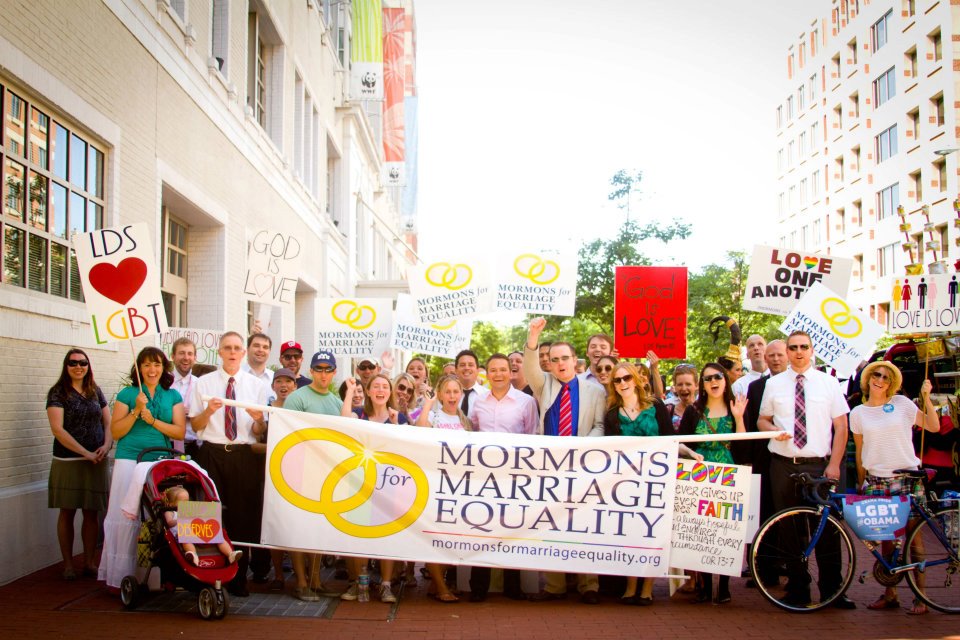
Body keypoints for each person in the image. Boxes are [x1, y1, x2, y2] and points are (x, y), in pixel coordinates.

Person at [758, 330, 855, 609]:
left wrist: (834, 464)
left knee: (826, 529)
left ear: (812, 350)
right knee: (788, 528)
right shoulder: (774, 384)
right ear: (786, 352)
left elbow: (841, 427)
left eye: (804, 347)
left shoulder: (829, 383)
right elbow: (762, 420)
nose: (798, 352)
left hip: (819, 465)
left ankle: (832, 590)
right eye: (793, 347)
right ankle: (798, 589)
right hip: (784, 465)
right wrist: (773, 430)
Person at [522, 317, 604, 604]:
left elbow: (600, 425)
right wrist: (533, 337)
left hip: (583, 466)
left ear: (575, 360)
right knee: (551, 524)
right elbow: (529, 366)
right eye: (554, 359)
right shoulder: (544, 385)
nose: (559, 364)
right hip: (551, 467)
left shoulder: (595, 391)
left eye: (564, 358)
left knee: (584, 525)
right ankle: (554, 586)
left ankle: (589, 585)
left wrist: (581, 449)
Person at [851, 362, 938, 615]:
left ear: (892, 383)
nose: (881, 380)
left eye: (887, 377)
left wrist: (926, 398)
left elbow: (932, 426)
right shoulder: (858, 412)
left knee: (915, 540)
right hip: (877, 480)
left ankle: (921, 597)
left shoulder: (902, 404)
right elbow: (860, 451)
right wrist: (861, 481)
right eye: (876, 375)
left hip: (907, 479)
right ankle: (890, 593)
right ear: (868, 379)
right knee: (887, 541)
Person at [100, 347, 186, 590]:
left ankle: (153, 576)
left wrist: (153, 421)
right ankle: (122, 576)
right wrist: (136, 410)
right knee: (126, 515)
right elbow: (116, 432)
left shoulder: (172, 396)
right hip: (130, 457)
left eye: (157, 364)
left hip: (158, 458)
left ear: (164, 368)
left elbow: (178, 431)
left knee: (155, 514)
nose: (152, 370)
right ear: (139, 368)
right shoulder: (128, 394)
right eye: (147, 365)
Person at [190, 332, 269, 598]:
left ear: (243, 353)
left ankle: (238, 578)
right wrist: (209, 412)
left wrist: (258, 420)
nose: (233, 352)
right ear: (220, 352)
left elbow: (258, 431)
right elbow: (196, 426)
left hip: (242, 455)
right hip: (211, 452)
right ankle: (202, 574)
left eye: (237, 348)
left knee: (244, 516)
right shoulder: (203, 383)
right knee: (204, 512)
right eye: (227, 348)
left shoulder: (255, 385)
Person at [466, 354, 539, 602]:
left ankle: (512, 586)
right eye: (493, 370)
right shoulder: (478, 402)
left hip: (514, 475)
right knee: (482, 527)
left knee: (511, 528)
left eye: (503, 370)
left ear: (511, 372)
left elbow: (532, 435)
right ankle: (478, 588)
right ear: (487, 373)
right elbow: (473, 430)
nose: (498, 374)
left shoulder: (526, 401)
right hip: (483, 474)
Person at [603, 362, 676, 606]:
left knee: (652, 531)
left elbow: (670, 439)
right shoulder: (612, 414)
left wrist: (688, 452)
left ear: (635, 379)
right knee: (630, 533)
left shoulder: (656, 406)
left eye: (626, 378)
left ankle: (647, 587)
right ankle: (630, 586)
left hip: (656, 479)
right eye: (617, 380)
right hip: (626, 481)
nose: (622, 383)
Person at [679, 363, 748, 604]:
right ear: (703, 384)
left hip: (730, 473)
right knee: (703, 531)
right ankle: (706, 586)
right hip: (700, 475)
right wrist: (691, 454)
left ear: (725, 379)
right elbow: (683, 443)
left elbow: (744, 446)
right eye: (707, 379)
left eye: (717, 376)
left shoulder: (735, 407)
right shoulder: (693, 411)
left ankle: (725, 586)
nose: (713, 381)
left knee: (727, 531)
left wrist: (739, 418)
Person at [283, 350, 346, 601]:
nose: (323, 374)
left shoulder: (336, 402)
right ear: (310, 371)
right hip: (300, 470)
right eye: (318, 369)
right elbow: (288, 436)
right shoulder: (297, 398)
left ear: (333, 373)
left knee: (318, 528)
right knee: (300, 528)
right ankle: (300, 582)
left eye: (327, 369)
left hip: (327, 474)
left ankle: (317, 580)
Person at [339, 374, 407, 603]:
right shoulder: (359, 415)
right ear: (367, 391)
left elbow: (405, 450)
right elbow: (344, 420)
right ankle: (361, 584)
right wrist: (349, 391)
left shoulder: (399, 417)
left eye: (385, 386)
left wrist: (397, 425)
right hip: (360, 482)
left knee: (385, 535)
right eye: (375, 386)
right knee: (360, 535)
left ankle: (386, 585)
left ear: (391, 392)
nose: (380, 390)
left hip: (389, 484)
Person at [46, 348, 112, 580]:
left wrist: (106, 446)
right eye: (73, 363)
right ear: (66, 366)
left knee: (92, 513)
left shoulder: (95, 391)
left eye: (83, 363)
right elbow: (58, 429)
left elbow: (109, 422)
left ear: (88, 366)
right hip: (69, 461)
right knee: (67, 512)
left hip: (96, 460)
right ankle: (67, 565)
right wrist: (84, 452)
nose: (78, 367)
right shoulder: (57, 393)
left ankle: (89, 562)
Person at [415, 374, 473, 602]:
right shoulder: (432, 416)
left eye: (455, 392)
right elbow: (420, 430)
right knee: (435, 537)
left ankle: (438, 583)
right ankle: (440, 586)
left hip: (457, 486)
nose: (451, 396)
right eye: (447, 392)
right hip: (435, 484)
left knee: (450, 538)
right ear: (440, 394)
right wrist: (428, 403)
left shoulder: (465, 420)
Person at [741, 340, 788, 588]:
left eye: (780, 354)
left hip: (792, 459)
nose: (776, 359)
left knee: (792, 517)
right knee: (765, 514)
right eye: (772, 355)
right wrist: (749, 458)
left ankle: (791, 567)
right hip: (764, 459)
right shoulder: (756, 387)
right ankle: (765, 570)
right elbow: (750, 423)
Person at [264, 368, 298, 591]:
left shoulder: (300, 410)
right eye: (279, 381)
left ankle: (301, 576)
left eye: (288, 381)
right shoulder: (266, 410)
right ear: (273, 385)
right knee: (274, 522)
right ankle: (278, 574)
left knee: (296, 523)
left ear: (295, 386)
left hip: (298, 470)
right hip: (271, 471)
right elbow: (256, 438)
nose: (284, 385)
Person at [162, 485, 241, 566]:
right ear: (171, 504)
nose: (187, 503)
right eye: (184, 501)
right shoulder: (170, 512)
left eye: (188, 500)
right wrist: (180, 519)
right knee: (186, 541)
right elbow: (169, 523)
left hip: (195, 530)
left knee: (218, 537)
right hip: (181, 534)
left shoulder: (189, 511)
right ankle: (193, 555)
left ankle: (230, 554)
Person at [169, 337, 200, 457]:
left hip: (193, 447)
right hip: (167, 445)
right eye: (181, 353)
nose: (186, 358)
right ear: (173, 356)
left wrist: (193, 413)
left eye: (190, 354)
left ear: (195, 358)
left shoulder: (201, 385)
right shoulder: (162, 383)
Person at [455, 349, 489, 416]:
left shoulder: (488, 395)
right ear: (456, 370)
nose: (467, 368)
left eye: (470, 365)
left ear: (477, 370)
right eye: (462, 365)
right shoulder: (445, 395)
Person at [667, 365, 697, 434]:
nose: (683, 388)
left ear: (696, 385)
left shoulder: (706, 410)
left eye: (688, 384)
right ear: (675, 386)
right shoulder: (668, 411)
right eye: (680, 384)